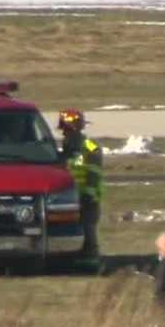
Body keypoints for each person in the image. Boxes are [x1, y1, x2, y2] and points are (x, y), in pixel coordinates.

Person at [57, 109, 104, 261]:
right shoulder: (65, 148)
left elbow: (93, 169)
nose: (66, 133)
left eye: (68, 129)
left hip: (86, 197)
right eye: (65, 130)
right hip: (70, 196)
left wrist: (88, 194)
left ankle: (91, 259)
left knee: (88, 228)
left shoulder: (89, 145)